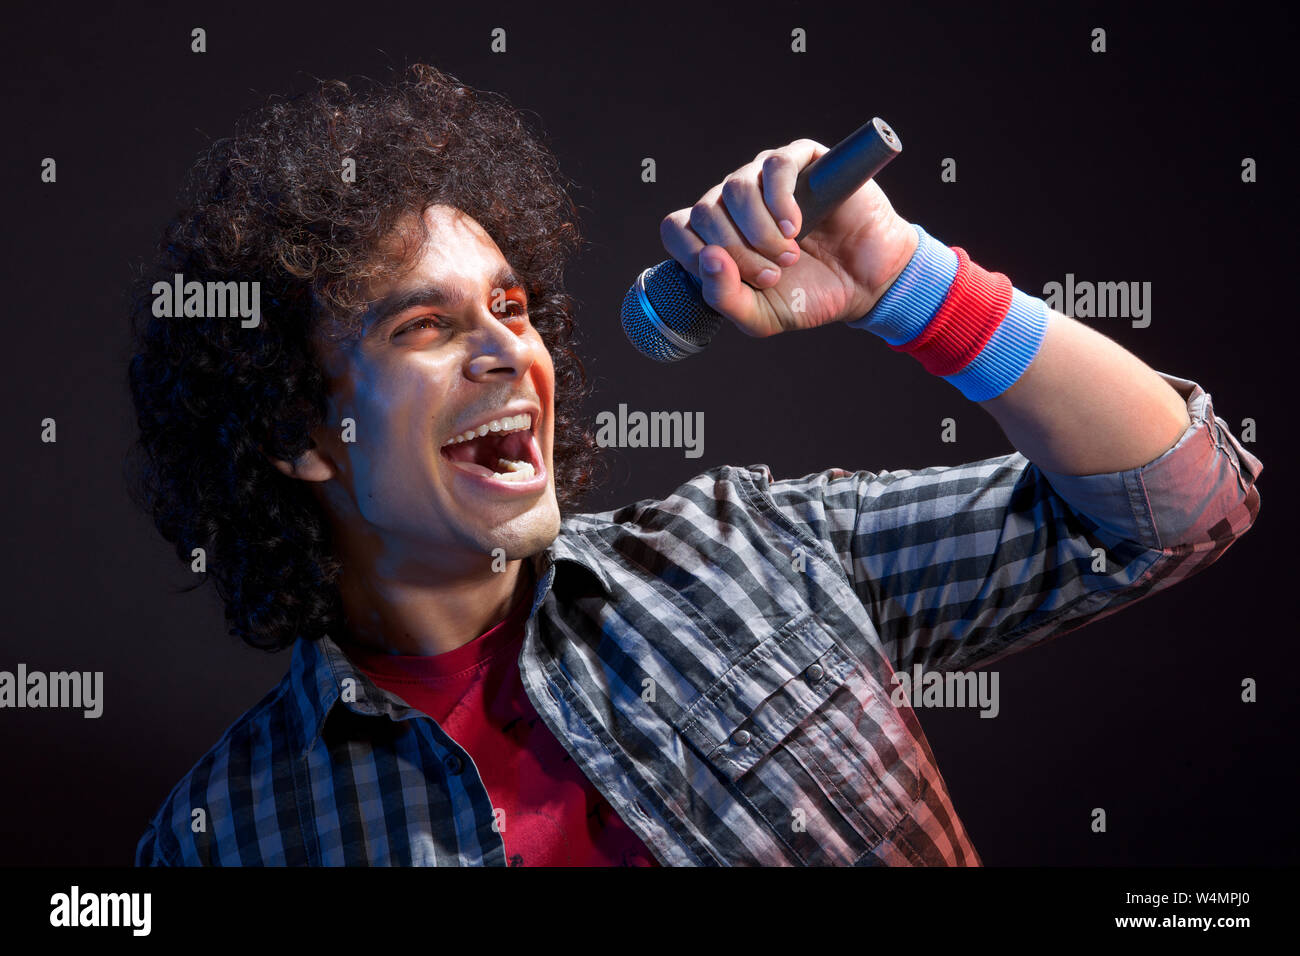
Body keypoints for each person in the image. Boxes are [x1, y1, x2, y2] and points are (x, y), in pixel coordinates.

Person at [129, 63, 1261, 866]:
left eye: (513, 308)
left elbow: (1185, 502)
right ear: (298, 434)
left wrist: (908, 283)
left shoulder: (762, 551)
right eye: (422, 325)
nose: (505, 349)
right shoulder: (220, 837)